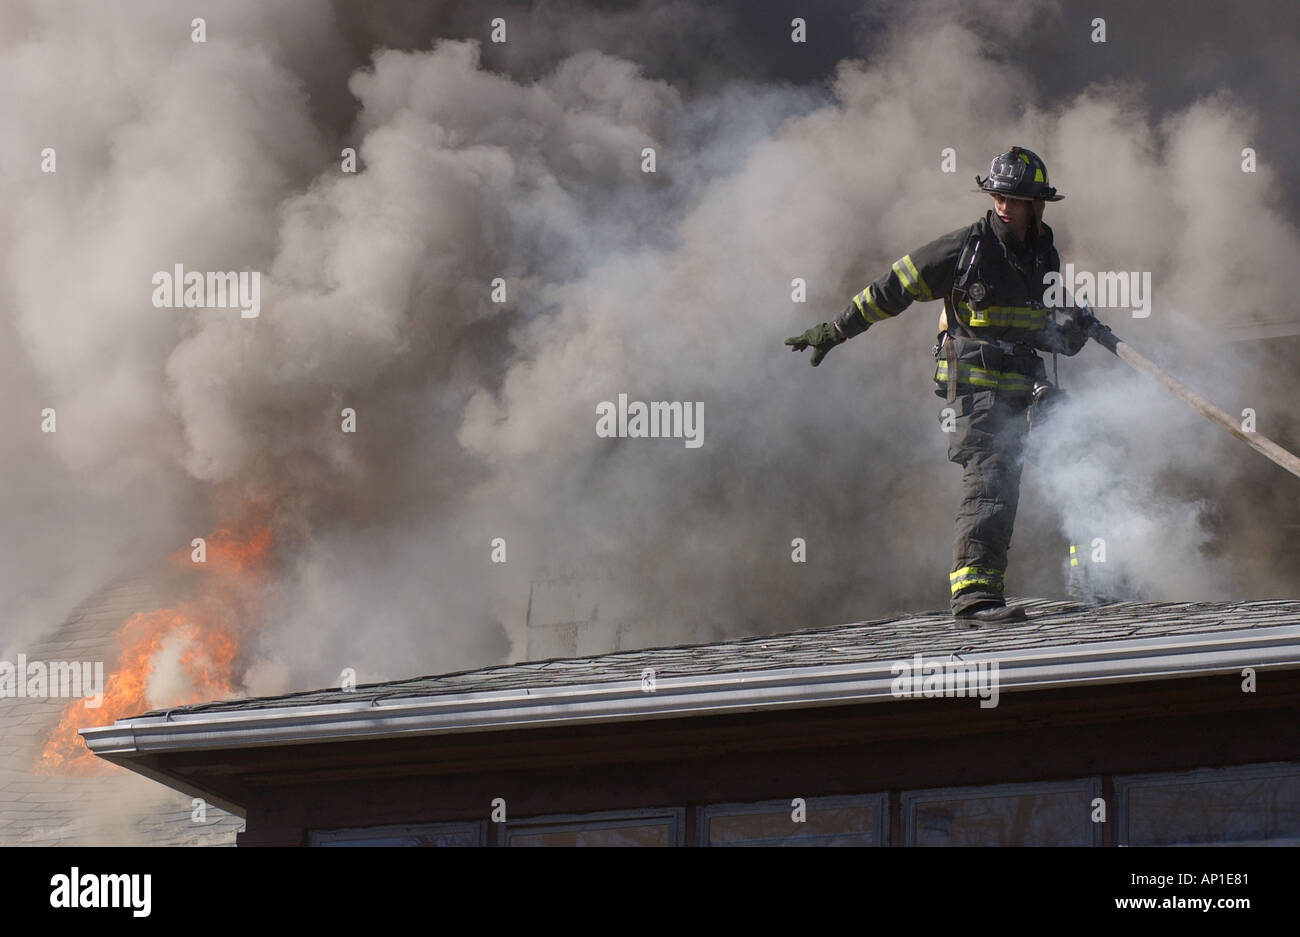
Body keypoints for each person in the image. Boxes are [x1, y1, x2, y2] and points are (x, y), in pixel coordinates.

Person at [786, 147, 1095, 623]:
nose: (1004, 206)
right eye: (998, 196)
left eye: (1014, 198)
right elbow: (893, 286)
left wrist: (1069, 329)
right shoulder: (963, 250)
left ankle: (1092, 581)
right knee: (991, 479)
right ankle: (974, 597)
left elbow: (1037, 328)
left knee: (1083, 453)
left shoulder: (1042, 254)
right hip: (975, 391)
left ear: (1037, 204)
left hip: (1023, 386)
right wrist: (836, 329)